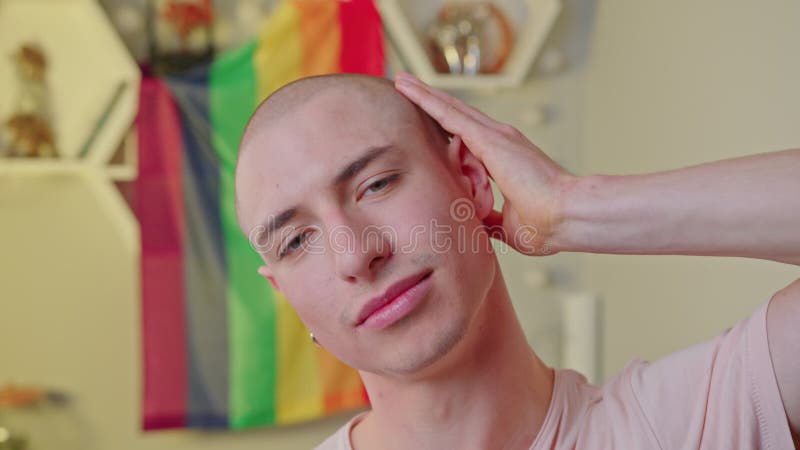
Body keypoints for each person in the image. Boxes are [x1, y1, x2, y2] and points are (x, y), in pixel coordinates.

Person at [233, 72, 799, 450]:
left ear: (473, 180)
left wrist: (573, 207)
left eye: (377, 184)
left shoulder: (681, 424)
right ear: (284, 293)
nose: (356, 255)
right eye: (296, 242)